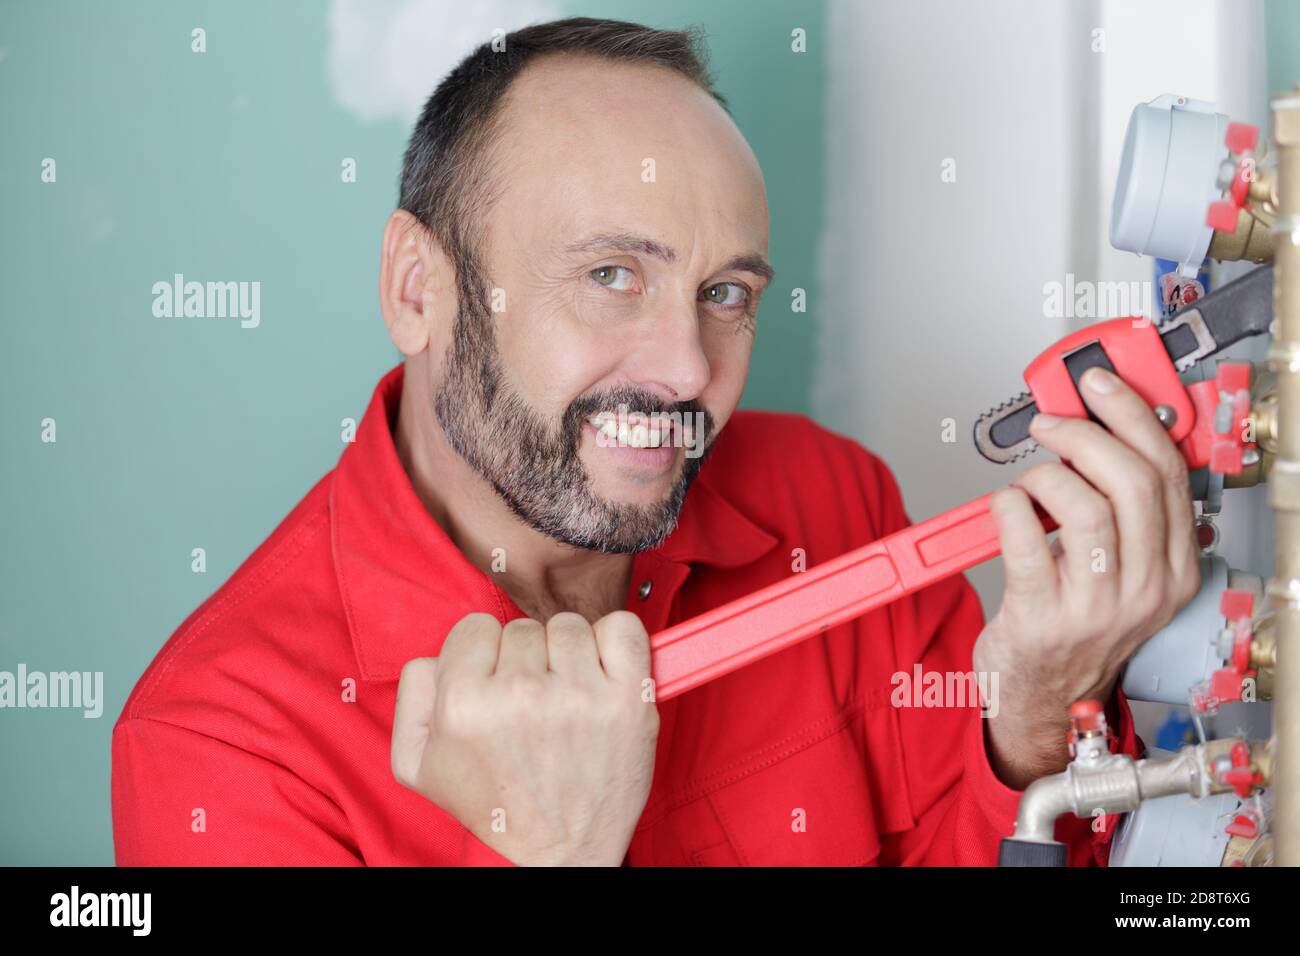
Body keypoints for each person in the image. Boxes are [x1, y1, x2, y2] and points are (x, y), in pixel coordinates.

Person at [112, 17, 1200, 866]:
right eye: (610, 276)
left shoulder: (824, 503)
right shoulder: (220, 745)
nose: (687, 369)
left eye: (723, 292)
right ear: (417, 288)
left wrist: (1033, 716)